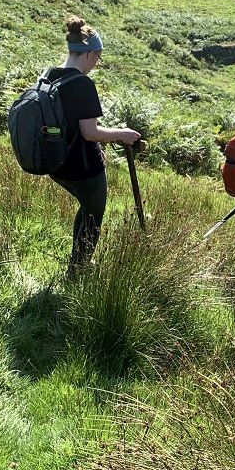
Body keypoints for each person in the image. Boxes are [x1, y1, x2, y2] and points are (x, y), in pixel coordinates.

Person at [47, 16, 141, 278]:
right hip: (83, 167)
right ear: (88, 54)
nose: (96, 65)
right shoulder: (82, 84)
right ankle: (78, 271)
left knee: (85, 206)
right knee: (93, 214)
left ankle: (78, 263)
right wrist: (122, 134)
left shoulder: (50, 75)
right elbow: (90, 132)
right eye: (97, 58)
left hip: (55, 163)